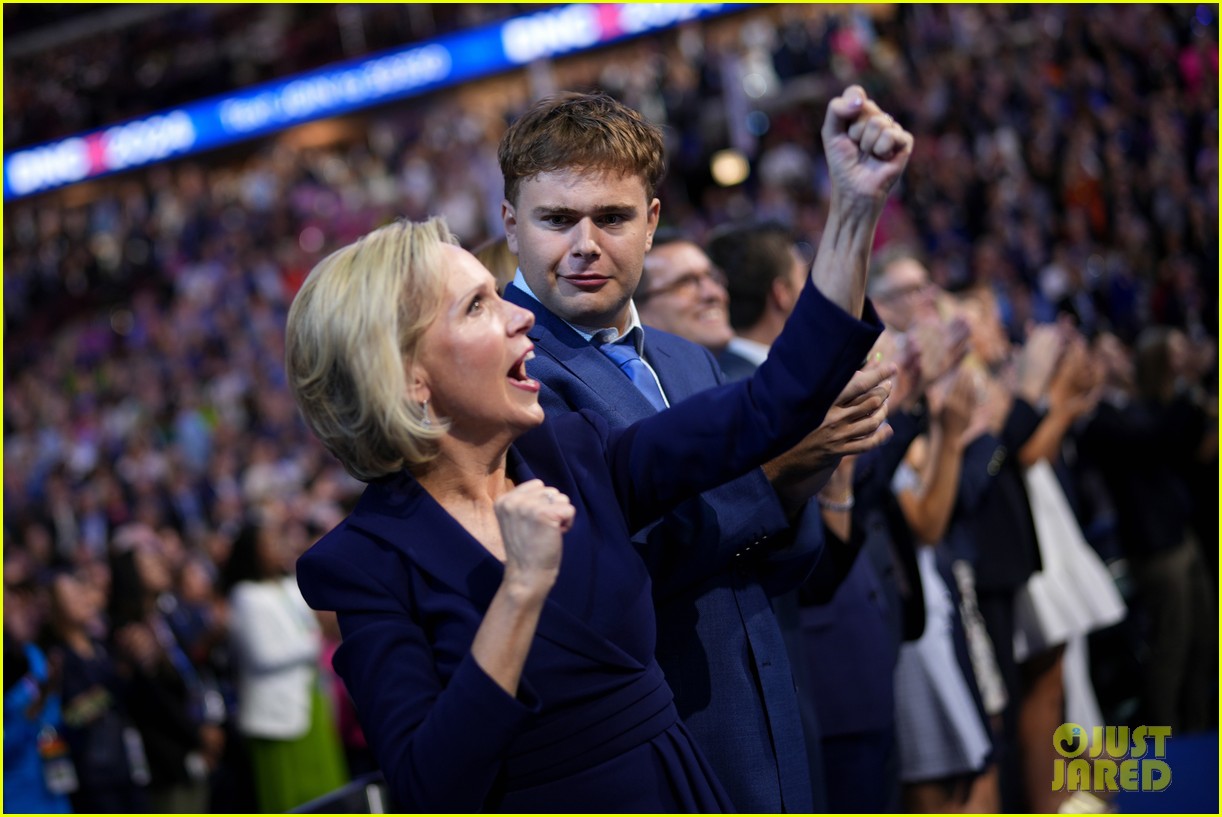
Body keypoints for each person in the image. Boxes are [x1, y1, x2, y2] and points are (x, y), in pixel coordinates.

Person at [286, 86, 909, 812]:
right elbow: (429, 785)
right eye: (479, 305)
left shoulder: (574, 453)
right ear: (410, 377)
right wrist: (519, 589)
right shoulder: (364, 563)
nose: (521, 315)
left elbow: (773, 399)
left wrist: (856, 207)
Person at [497, 86, 908, 812]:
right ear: (511, 224)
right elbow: (612, 571)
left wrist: (805, 471)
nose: (585, 243)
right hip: (651, 757)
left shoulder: (689, 358)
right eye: (557, 219)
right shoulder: (511, 377)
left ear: (652, 222)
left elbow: (777, 562)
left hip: (768, 721)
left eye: (613, 217)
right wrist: (776, 471)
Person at [222, 511, 349, 813]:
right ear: (252, 551)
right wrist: (316, 642)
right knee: (288, 797)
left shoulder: (292, 585)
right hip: (276, 716)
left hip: (310, 701)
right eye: (269, 542)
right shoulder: (245, 596)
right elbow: (264, 655)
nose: (278, 547)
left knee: (327, 791)